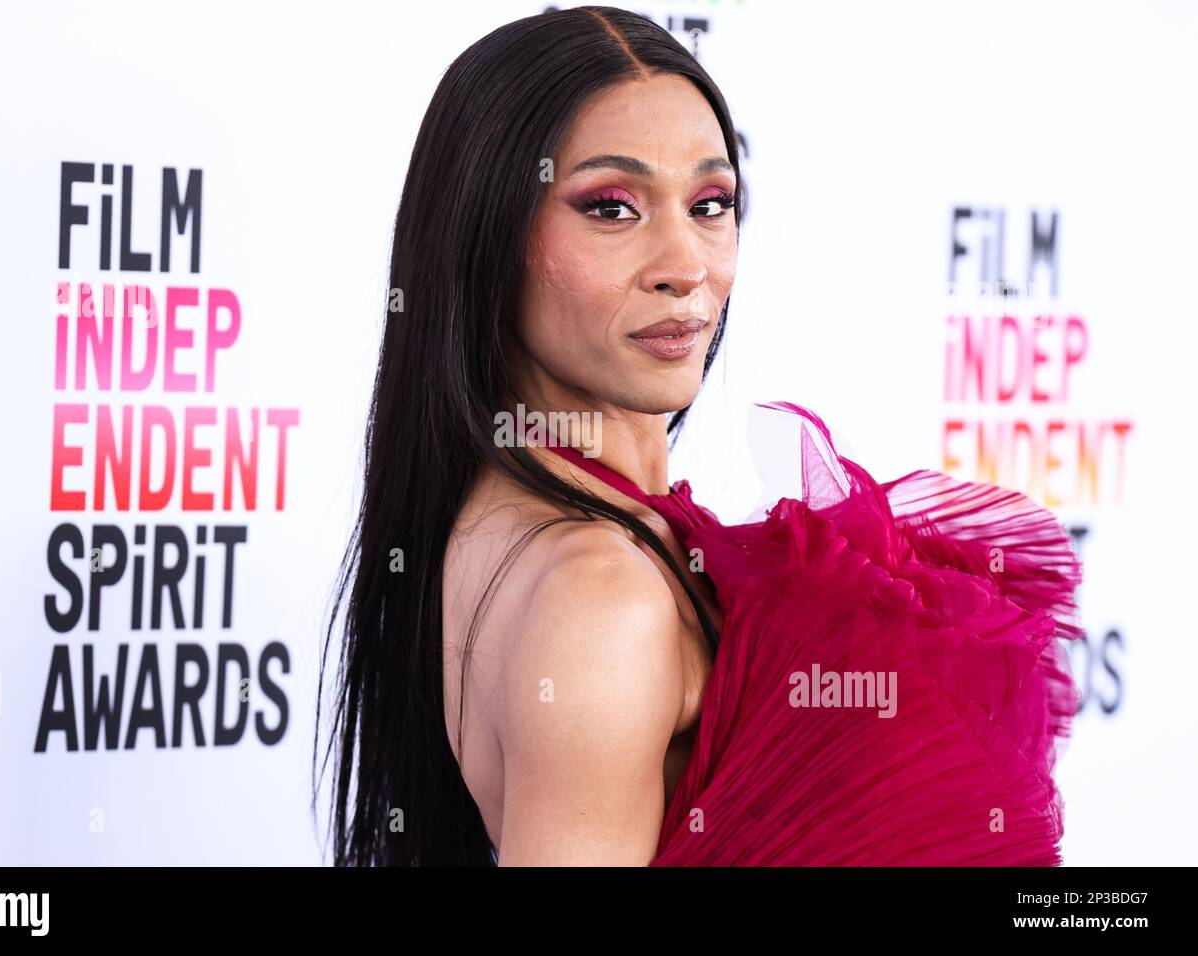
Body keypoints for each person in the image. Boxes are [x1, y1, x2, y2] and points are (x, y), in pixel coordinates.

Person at [315, 5, 1083, 867]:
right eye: (611, 207)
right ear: (486, 233)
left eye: (711, 203)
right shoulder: (599, 596)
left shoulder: (535, 532)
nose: (686, 266)